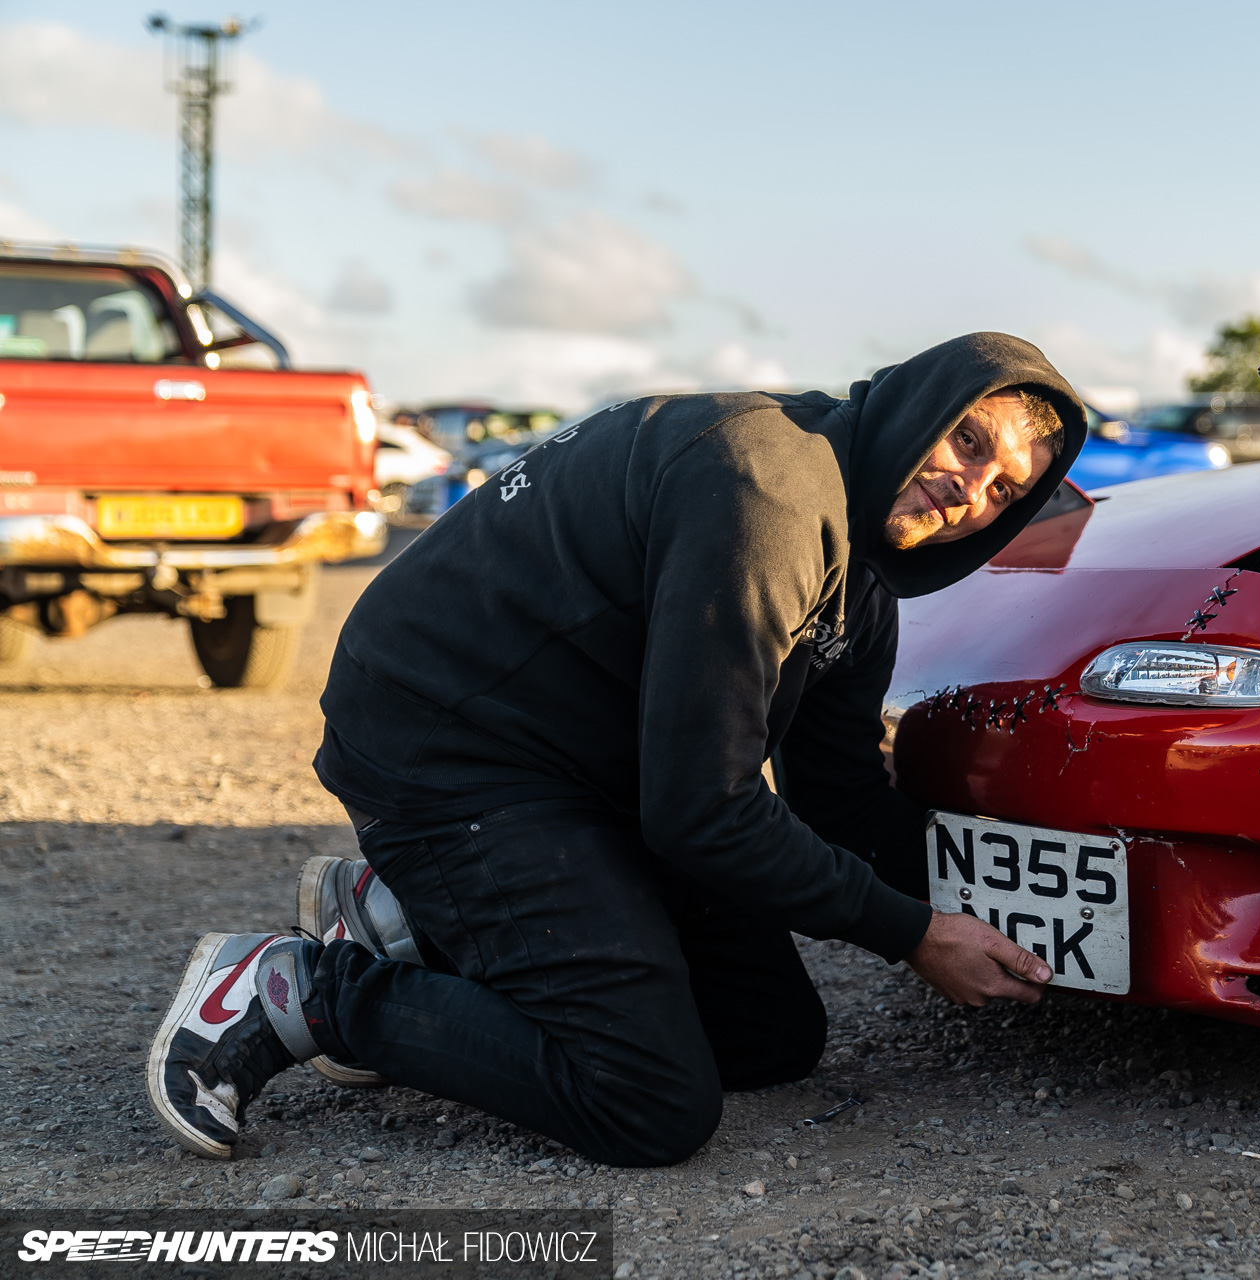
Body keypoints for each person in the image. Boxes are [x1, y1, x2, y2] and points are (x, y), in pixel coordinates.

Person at [145, 333, 1086, 1165]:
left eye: (1004, 490)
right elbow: (703, 808)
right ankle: (301, 989)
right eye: (969, 443)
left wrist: (1022, 891)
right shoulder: (768, 487)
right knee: (646, 1100)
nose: (971, 491)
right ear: (923, 404)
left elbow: (837, 797)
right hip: (453, 744)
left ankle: (410, 924)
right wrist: (914, 935)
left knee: (769, 1038)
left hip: (604, 763)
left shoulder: (865, 590)